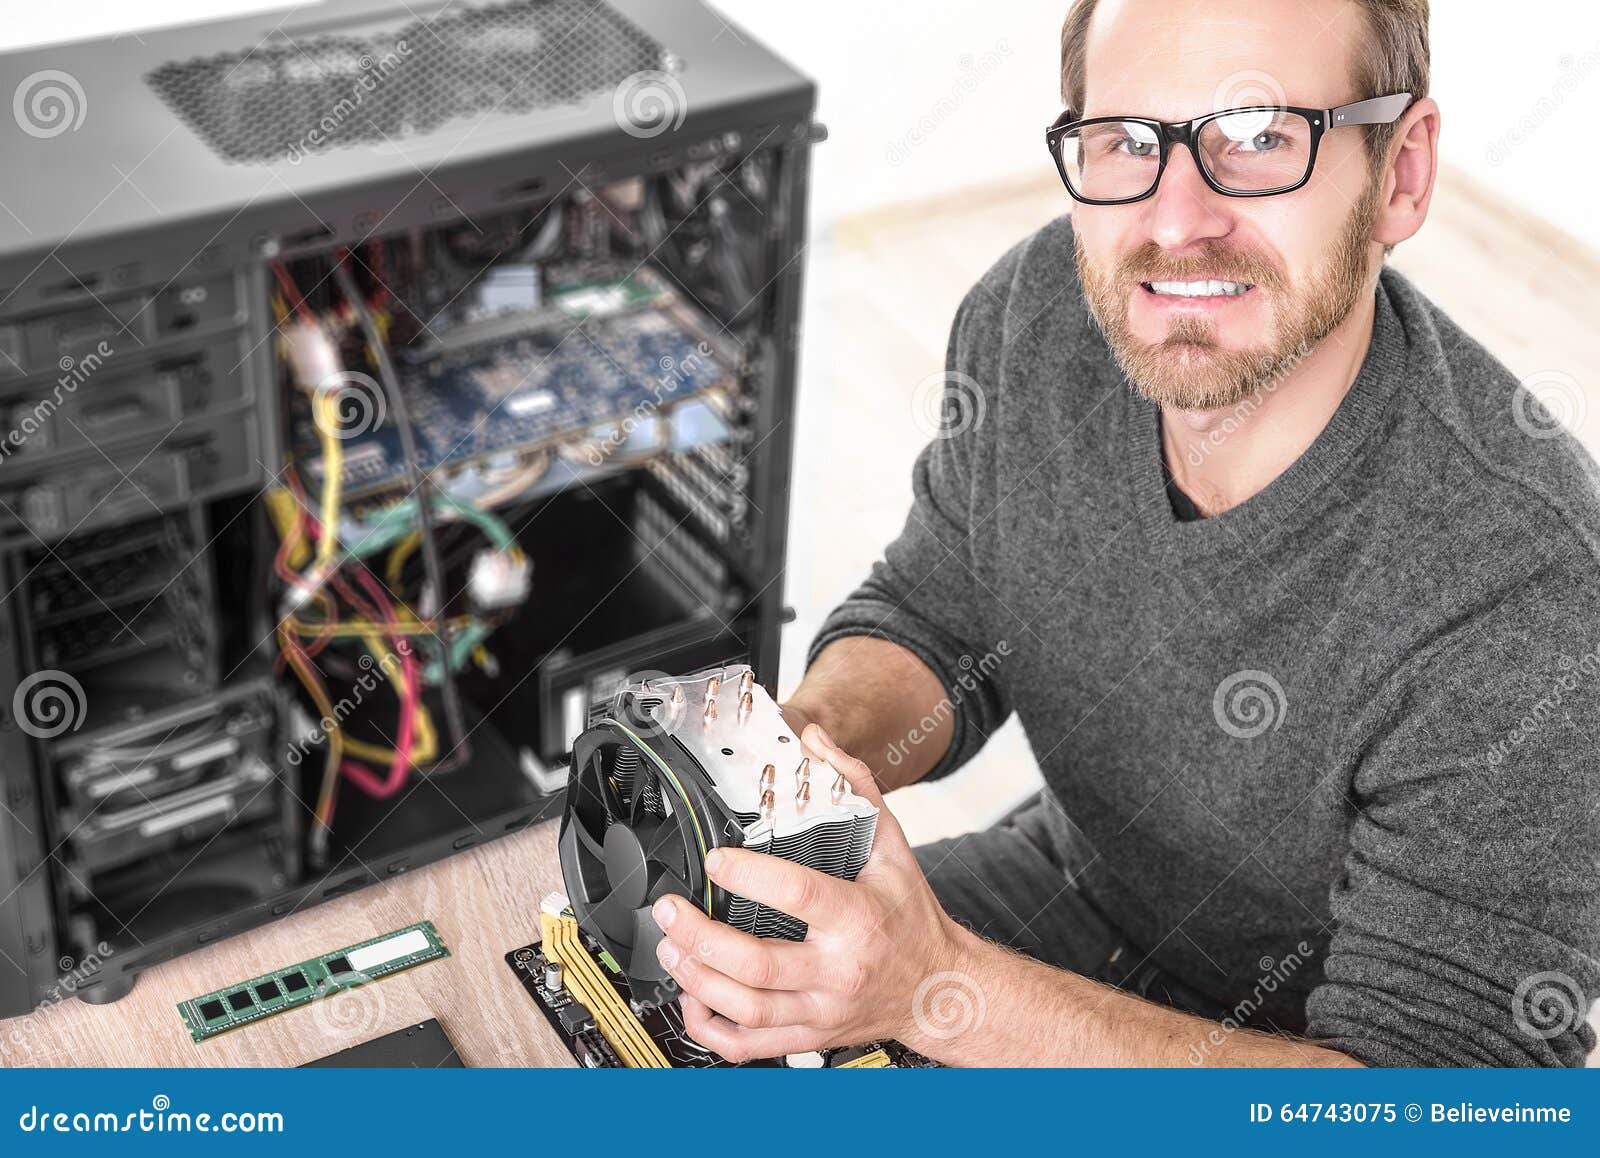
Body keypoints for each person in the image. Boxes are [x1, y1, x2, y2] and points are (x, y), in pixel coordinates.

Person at [651, 0, 1600, 1066]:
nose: (1174, 219)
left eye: (1258, 139)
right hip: (1066, 891)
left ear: (1402, 173)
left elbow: (1427, 1115)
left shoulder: (1530, 596)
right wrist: (813, 754)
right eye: (1125, 143)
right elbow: (939, 609)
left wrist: (936, 991)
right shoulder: (1037, 309)